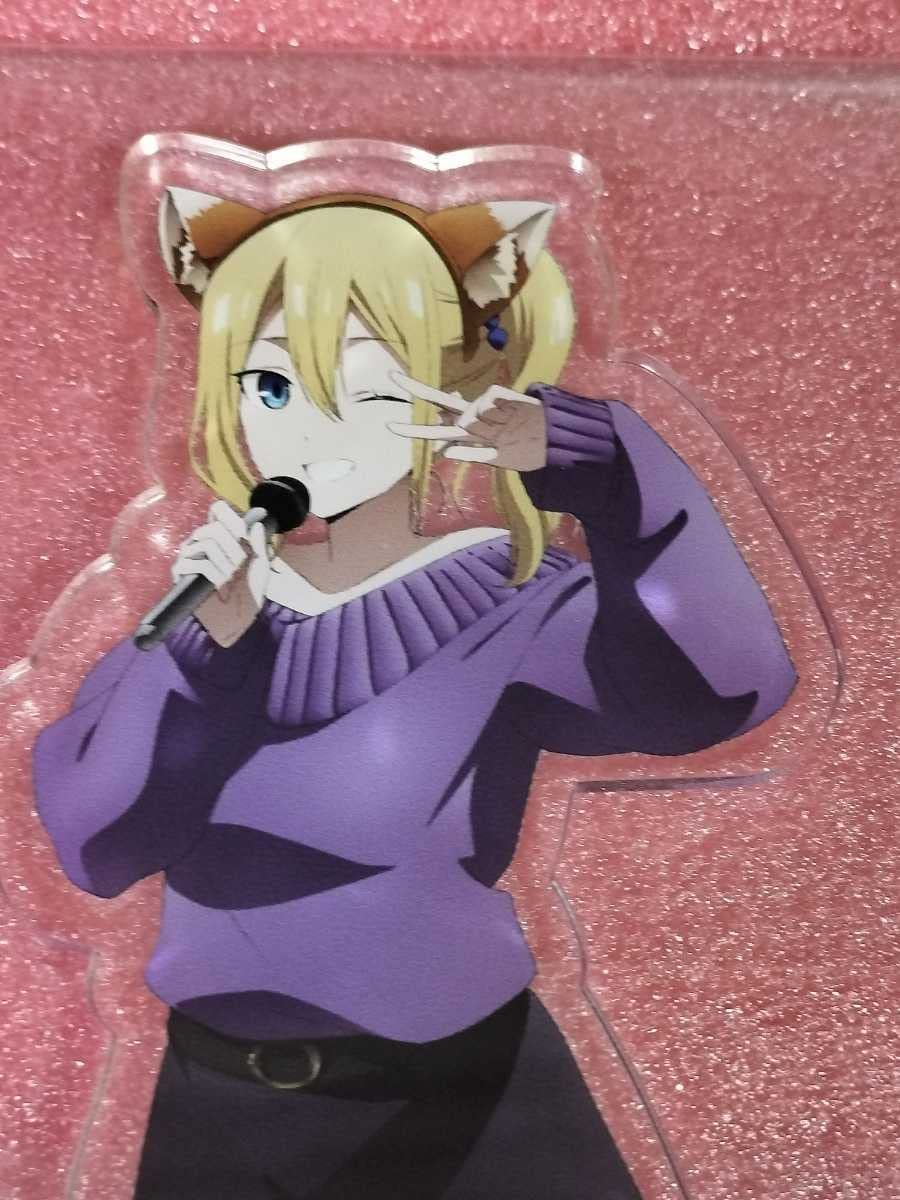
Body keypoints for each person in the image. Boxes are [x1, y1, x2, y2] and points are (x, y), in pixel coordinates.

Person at [32, 191, 797, 1199]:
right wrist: (202, 661)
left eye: (364, 388)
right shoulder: (207, 613)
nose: (310, 433)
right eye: (272, 388)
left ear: (449, 389)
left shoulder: (509, 597)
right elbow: (95, 842)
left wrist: (610, 471)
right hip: (220, 1110)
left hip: (466, 1102)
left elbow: (717, 690)